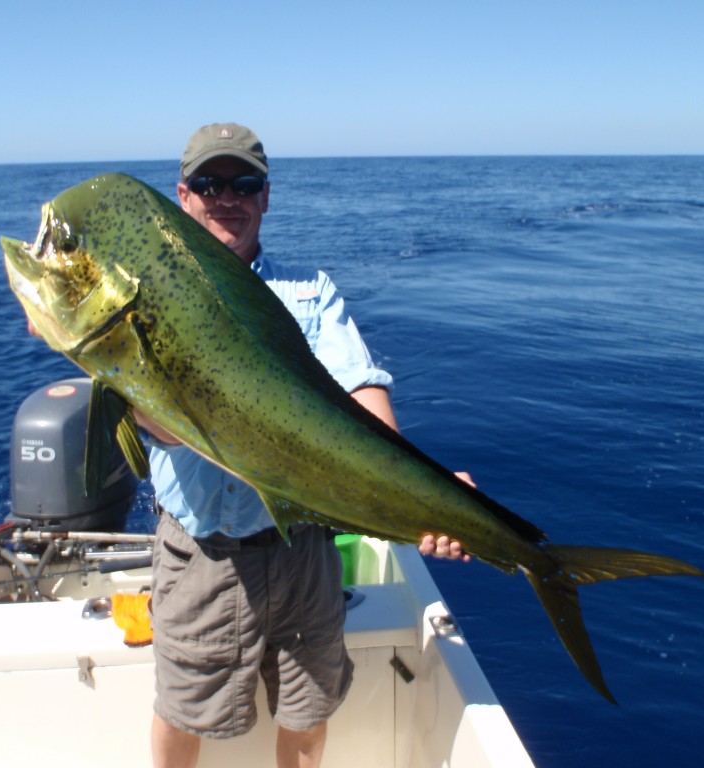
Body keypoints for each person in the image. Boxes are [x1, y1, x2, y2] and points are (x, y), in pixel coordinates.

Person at [132, 123, 471, 768]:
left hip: (302, 551)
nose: (226, 198)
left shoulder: (310, 293)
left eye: (243, 183)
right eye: (209, 184)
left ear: (266, 195)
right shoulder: (146, 292)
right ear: (182, 195)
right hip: (203, 553)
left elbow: (361, 393)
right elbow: (162, 424)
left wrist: (426, 489)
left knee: (307, 715)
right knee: (180, 714)